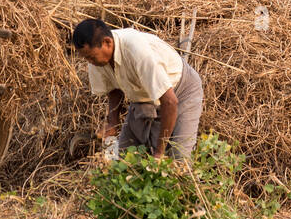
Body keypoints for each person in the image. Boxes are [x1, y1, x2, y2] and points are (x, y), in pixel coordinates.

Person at [72, 17, 204, 161]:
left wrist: (159, 154)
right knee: (122, 159)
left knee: (178, 158)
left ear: (107, 43)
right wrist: (112, 123)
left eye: (91, 57)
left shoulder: (138, 52)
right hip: (143, 96)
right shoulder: (97, 60)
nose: (90, 62)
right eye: (86, 58)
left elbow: (170, 102)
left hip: (181, 90)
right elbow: (113, 90)